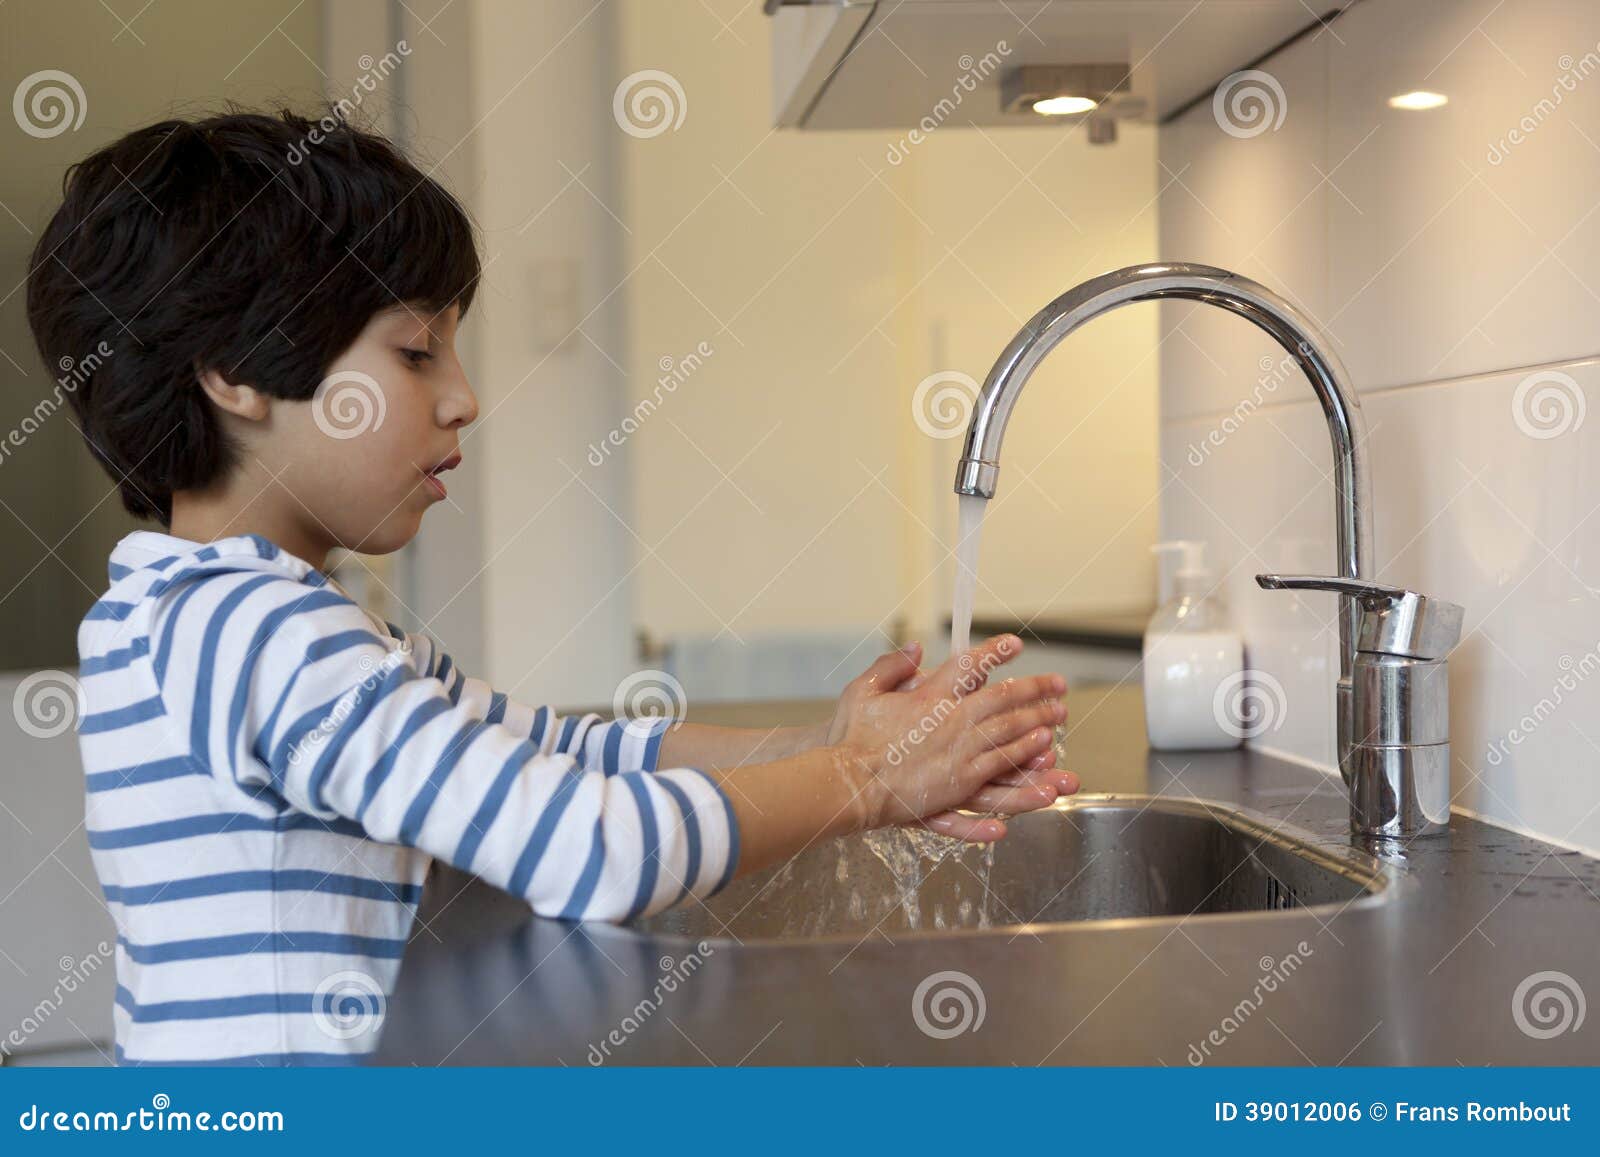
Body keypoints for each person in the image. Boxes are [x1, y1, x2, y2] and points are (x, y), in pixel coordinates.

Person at [26, 107, 1075, 1066]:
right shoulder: (248, 630)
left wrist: (823, 739)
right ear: (234, 371)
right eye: (415, 351)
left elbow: (557, 747)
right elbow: (592, 847)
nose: (464, 397)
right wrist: (867, 781)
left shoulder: (254, 612)